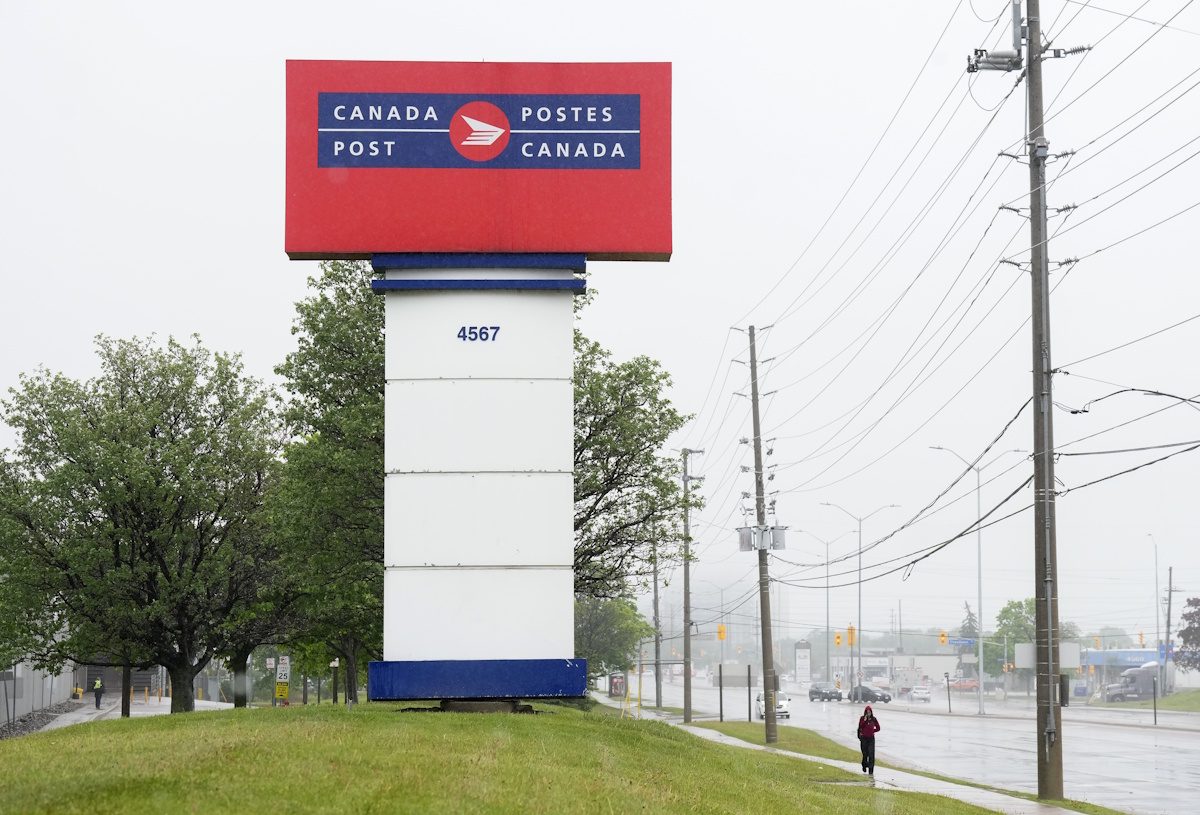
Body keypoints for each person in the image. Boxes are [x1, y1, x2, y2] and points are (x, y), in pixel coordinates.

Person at [858, 704, 880, 775]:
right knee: (865, 754)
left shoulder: (874, 719)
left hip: (871, 739)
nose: (868, 714)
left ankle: (871, 770)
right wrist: (864, 720)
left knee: (871, 754)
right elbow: (860, 726)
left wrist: (873, 731)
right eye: (867, 713)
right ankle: (864, 765)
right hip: (864, 739)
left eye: (869, 712)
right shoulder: (862, 718)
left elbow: (878, 728)